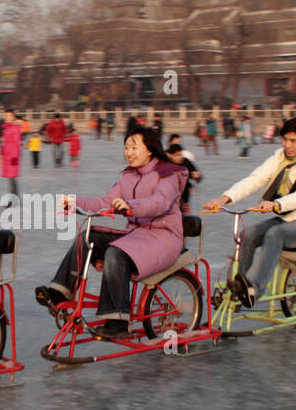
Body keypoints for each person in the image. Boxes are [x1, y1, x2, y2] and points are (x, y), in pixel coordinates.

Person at [35, 126, 187, 340]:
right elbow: (104, 203)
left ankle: (118, 321)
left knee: (115, 253)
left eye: (134, 147)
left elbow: (160, 202)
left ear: (150, 149)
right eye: (126, 147)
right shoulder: (128, 176)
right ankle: (61, 292)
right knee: (88, 238)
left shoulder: (167, 175)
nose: (129, 152)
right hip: (136, 237)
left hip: (163, 239)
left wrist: (130, 205)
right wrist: (74, 201)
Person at [201, 117, 296, 307]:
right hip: (288, 220)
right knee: (248, 234)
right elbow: (255, 179)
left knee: (274, 234)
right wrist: (223, 199)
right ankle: (236, 287)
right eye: (285, 139)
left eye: (293, 141)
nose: (287, 145)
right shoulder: (280, 157)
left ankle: (253, 288)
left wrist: (276, 204)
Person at [166, 143, 202, 213]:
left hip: (184, 195)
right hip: (169, 196)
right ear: (170, 155)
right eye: (177, 155)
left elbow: (195, 175)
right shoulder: (165, 163)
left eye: (181, 154)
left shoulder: (185, 162)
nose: (180, 157)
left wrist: (197, 176)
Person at [0, 109, 22, 197]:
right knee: (11, 180)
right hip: (7, 157)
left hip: (12, 158)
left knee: (12, 180)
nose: (7, 117)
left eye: (9, 116)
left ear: (13, 117)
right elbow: (5, 142)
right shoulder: (6, 128)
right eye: (6, 116)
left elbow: (16, 144)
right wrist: (2, 152)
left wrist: (14, 157)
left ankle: (14, 200)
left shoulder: (15, 128)